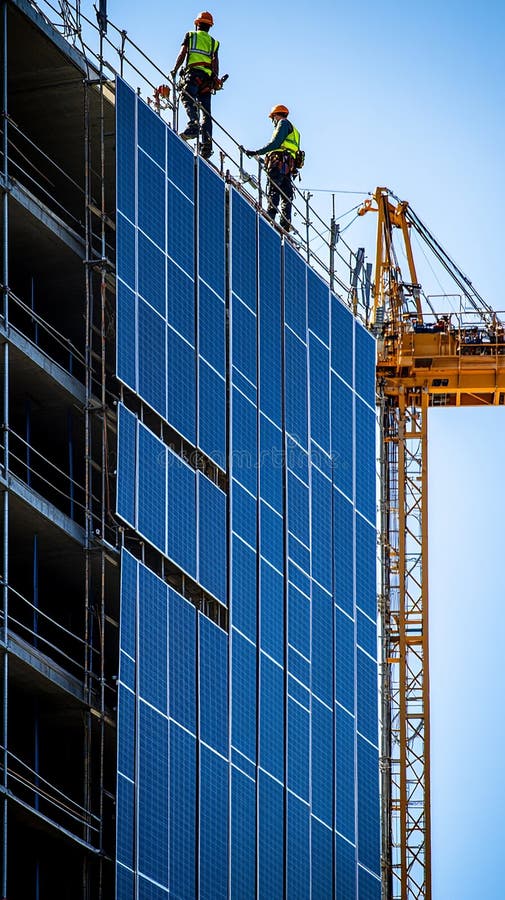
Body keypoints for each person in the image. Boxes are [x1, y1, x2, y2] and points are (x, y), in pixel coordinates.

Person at [243, 105, 301, 232]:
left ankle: (270, 218)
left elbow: (275, 143)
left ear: (275, 116)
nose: (273, 122)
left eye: (272, 118)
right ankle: (285, 223)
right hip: (288, 166)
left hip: (278, 162)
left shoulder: (283, 123)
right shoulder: (295, 131)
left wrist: (256, 152)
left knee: (274, 190)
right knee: (287, 194)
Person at [171, 11, 219, 160]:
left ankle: (193, 125)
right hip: (206, 80)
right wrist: (214, 80)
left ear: (197, 23)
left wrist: (175, 69)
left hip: (193, 75)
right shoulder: (213, 42)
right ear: (209, 27)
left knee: (186, 96)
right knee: (206, 113)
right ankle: (207, 145)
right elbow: (215, 64)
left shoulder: (191, 35)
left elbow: (182, 53)